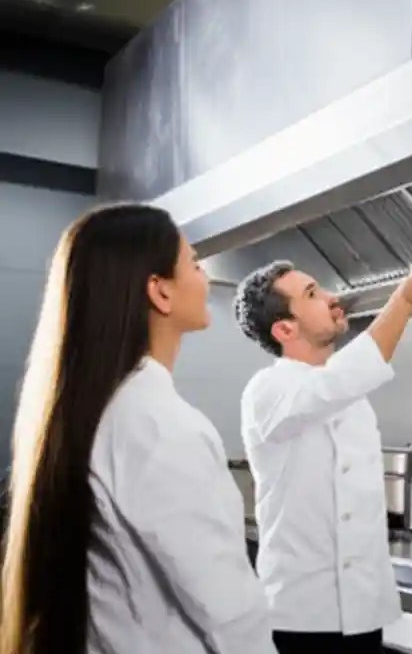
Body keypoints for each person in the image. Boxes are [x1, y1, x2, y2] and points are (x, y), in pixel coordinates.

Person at [0, 204, 275, 654]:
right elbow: (232, 615)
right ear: (160, 292)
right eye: (194, 264)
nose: (205, 277)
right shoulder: (159, 423)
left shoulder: (97, 410)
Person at [233, 218, 412, 654]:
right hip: (300, 619)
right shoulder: (267, 392)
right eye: (313, 294)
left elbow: (342, 384)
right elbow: (341, 380)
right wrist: (410, 289)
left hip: (363, 615)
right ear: (284, 329)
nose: (332, 298)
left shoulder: (349, 398)